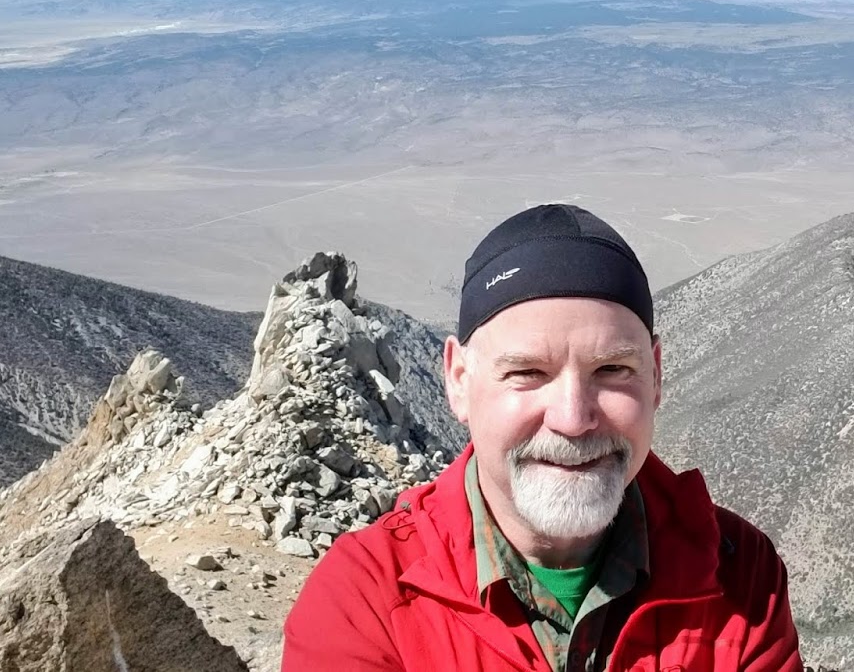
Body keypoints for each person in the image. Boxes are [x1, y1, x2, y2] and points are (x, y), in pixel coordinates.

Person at [283, 203, 802, 671]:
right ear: (459, 382)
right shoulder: (364, 601)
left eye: (614, 369)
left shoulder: (739, 574)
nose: (574, 419)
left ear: (656, 376)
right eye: (528, 372)